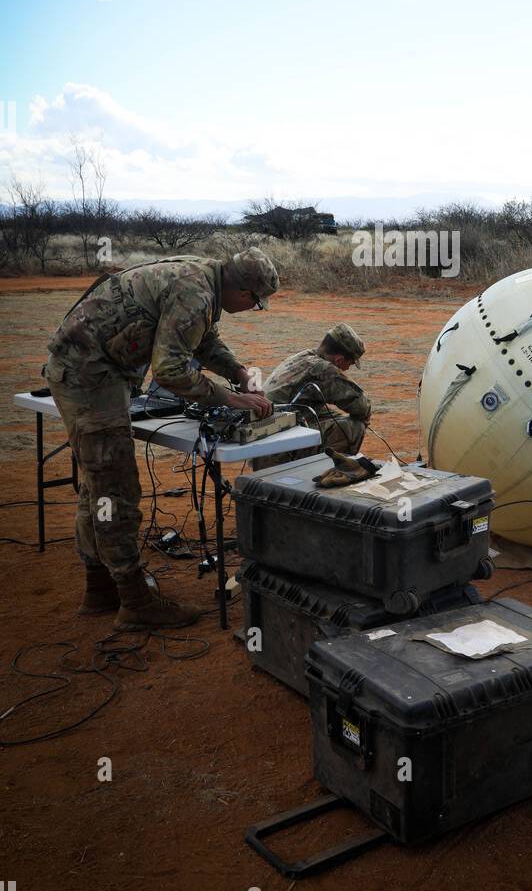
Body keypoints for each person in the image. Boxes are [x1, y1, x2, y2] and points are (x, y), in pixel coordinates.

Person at [44, 248, 278, 630]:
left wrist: (237, 370)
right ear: (244, 292)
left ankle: (100, 586)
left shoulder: (203, 276)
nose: (253, 309)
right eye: (256, 304)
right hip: (90, 376)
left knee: (97, 486)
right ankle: (135, 601)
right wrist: (232, 397)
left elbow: (201, 341)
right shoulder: (197, 291)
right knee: (112, 487)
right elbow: (169, 369)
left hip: (86, 367)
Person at [257, 323, 371, 466]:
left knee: (333, 417)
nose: (347, 369)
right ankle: (328, 470)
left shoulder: (303, 356)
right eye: (350, 364)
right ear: (339, 360)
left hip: (264, 439)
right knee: (354, 427)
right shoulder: (322, 369)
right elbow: (362, 406)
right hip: (277, 450)